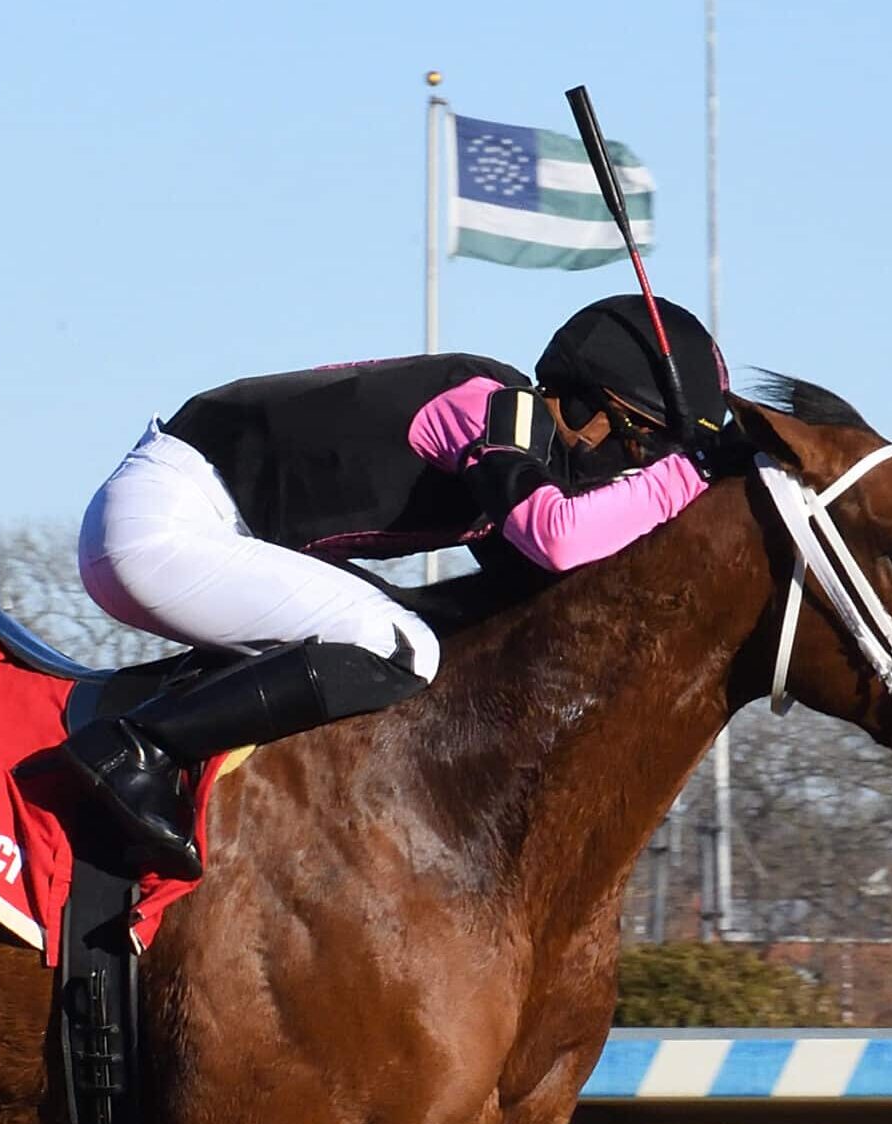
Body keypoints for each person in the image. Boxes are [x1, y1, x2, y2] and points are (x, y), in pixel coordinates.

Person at [59, 293, 729, 877]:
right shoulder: (498, 407)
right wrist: (694, 472)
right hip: (164, 524)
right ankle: (137, 748)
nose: (637, 474)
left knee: (406, 630)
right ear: (591, 403)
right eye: (644, 447)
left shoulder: (515, 459)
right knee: (404, 647)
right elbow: (558, 538)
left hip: (195, 525)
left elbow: (529, 598)